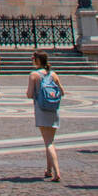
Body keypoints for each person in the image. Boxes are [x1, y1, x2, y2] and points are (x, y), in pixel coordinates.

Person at [27, 51, 65, 182]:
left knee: (48, 143)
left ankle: (57, 172)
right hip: (54, 109)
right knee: (50, 142)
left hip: (42, 109)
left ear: (36, 61)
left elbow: (29, 94)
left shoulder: (34, 75)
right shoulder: (53, 74)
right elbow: (62, 91)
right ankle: (49, 170)